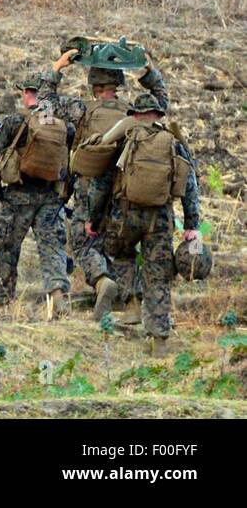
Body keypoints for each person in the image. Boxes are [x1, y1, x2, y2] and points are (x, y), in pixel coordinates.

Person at [38, 47, 169, 320]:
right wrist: (148, 71)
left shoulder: (82, 109)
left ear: (94, 86)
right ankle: (131, 303)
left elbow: (46, 102)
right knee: (122, 249)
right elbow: (162, 102)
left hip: (89, 188)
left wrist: (58, 67)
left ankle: (100, 280)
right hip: (123, 189)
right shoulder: (132, 112)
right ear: (118, 84)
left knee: (85, 243)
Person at [86, 93, 200, 353]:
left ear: (135, 114)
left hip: (125, 215)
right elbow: (189, 185)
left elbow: (101, 185)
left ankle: (131, 305)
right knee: (158, 274)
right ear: (159, 115)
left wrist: (93, 218)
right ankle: (159, 338)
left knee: (121, 255)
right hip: (160, 218)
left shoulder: (122, 139)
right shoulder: (172, 142)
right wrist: (192, 224)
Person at [0, 74, 71, 316]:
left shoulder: (15, 121)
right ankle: (58, 295)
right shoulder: (61, 125)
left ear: (27, 93)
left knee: (8, 246)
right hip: (51, 196)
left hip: (19, 195)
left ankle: (1, 298)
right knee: (51, 247)